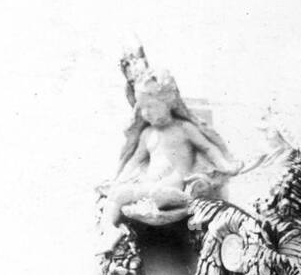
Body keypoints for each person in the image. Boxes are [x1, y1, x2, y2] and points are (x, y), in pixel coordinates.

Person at [98, 73, 240, 252]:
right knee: (117, 194)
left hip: (176, 184)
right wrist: (119, 179)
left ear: (168, 102)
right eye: (141, 108)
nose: (145, 113)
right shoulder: (147, 134)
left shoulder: (184, 129)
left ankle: (178, 205)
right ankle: (110, 230)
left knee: (164, 194)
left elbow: (208, 148)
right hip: (149, 186)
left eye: (150, 106)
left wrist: (225, 165)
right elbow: (134, 160)